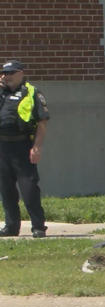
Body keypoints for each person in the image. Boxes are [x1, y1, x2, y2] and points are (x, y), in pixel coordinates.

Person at [0, 60, 49, 238]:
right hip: (2, 147)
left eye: (11, 72)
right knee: (6, 190)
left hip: (22, 146)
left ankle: (38, 226)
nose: (7, 76)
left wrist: (37, 147)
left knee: (28, 188)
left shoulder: (31, 92)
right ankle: (11, 226)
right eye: (4, 73)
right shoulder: (1, 93)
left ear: (21, 73)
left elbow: (42, 122)